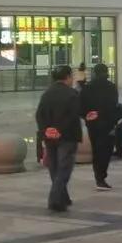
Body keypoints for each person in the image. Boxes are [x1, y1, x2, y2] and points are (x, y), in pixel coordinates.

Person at [35, 65, 82, 212]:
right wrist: (59, 130)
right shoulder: (72, 94)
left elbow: (39, 115)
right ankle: (55, 199)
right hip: (67, 137)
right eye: (71, 76)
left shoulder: (47, 94)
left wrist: (47, 129)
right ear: (67, 77)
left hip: (50, 137)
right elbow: (73, 116)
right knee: (64, 168)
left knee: (54, 168)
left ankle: (63, 198)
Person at [79, 62, 120, 190]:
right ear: (106, 72)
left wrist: (87, 116)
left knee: (96, 150)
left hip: (93, 124)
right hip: (107, 124)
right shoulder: (111, 87)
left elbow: (81, 106)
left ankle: (98, 176)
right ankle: (101, 177)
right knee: (106, 151)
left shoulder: (87, 87)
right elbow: (114, 107)